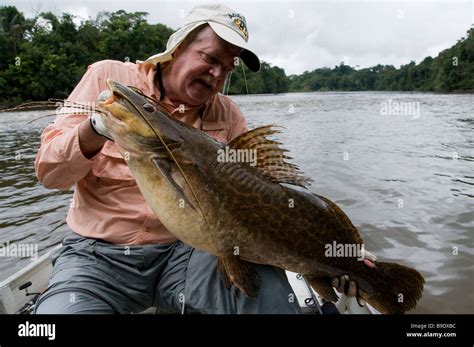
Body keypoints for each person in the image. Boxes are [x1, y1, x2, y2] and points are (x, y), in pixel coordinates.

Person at [34, 3, 372, 314]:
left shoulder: (229, 115)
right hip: (97, 257)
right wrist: (94, 128)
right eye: (210, 59)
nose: (216, 75)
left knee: (274, 304)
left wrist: (340, 254)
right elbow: (50, 173)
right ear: (177, 47)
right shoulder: (110, 79)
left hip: (189, 254)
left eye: (227, 67)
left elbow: (266, 195)